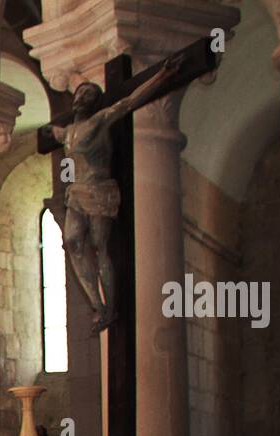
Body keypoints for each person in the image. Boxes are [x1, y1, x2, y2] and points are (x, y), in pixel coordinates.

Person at [50, 54, 183, 333]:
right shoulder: (68, 132)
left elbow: (129, 102)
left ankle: (110, 307)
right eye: (79, 92)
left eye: (88, 93)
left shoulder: (101, 120)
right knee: (73, 241)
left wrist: (162, 76)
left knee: (101, 247)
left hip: (99, 190)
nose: (81, 96)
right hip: (77, 192)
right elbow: (54, 133)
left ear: (95, 101)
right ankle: (97, 304)